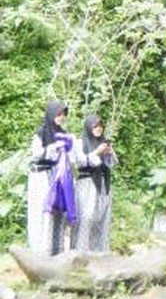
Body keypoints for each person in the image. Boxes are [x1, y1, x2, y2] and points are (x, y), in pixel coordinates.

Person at [27, 101, 75, 255]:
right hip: (41, 176)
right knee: (42, 212)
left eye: (63, 115)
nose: (61, 117)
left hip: (58, 177)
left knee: (57, 212)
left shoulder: (63, 134)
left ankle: (55, 251)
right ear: (51, 114)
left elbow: (70, 157)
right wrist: (52, 147)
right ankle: (39, 251)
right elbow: (36, 154)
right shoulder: (41, 133)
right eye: (58, 114)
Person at [71, 113, 117, 251]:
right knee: (86, 217)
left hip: (103, 184)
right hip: (86, 184)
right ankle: (80, 252)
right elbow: (80, 161)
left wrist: (108, 153)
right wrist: (96, 152)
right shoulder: (80, 143)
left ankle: (99, 253)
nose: (99, 129)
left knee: (101, 219)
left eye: (101, 126)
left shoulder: (104, 142)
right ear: (88, 127)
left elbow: (112, 164)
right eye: (95, 126)